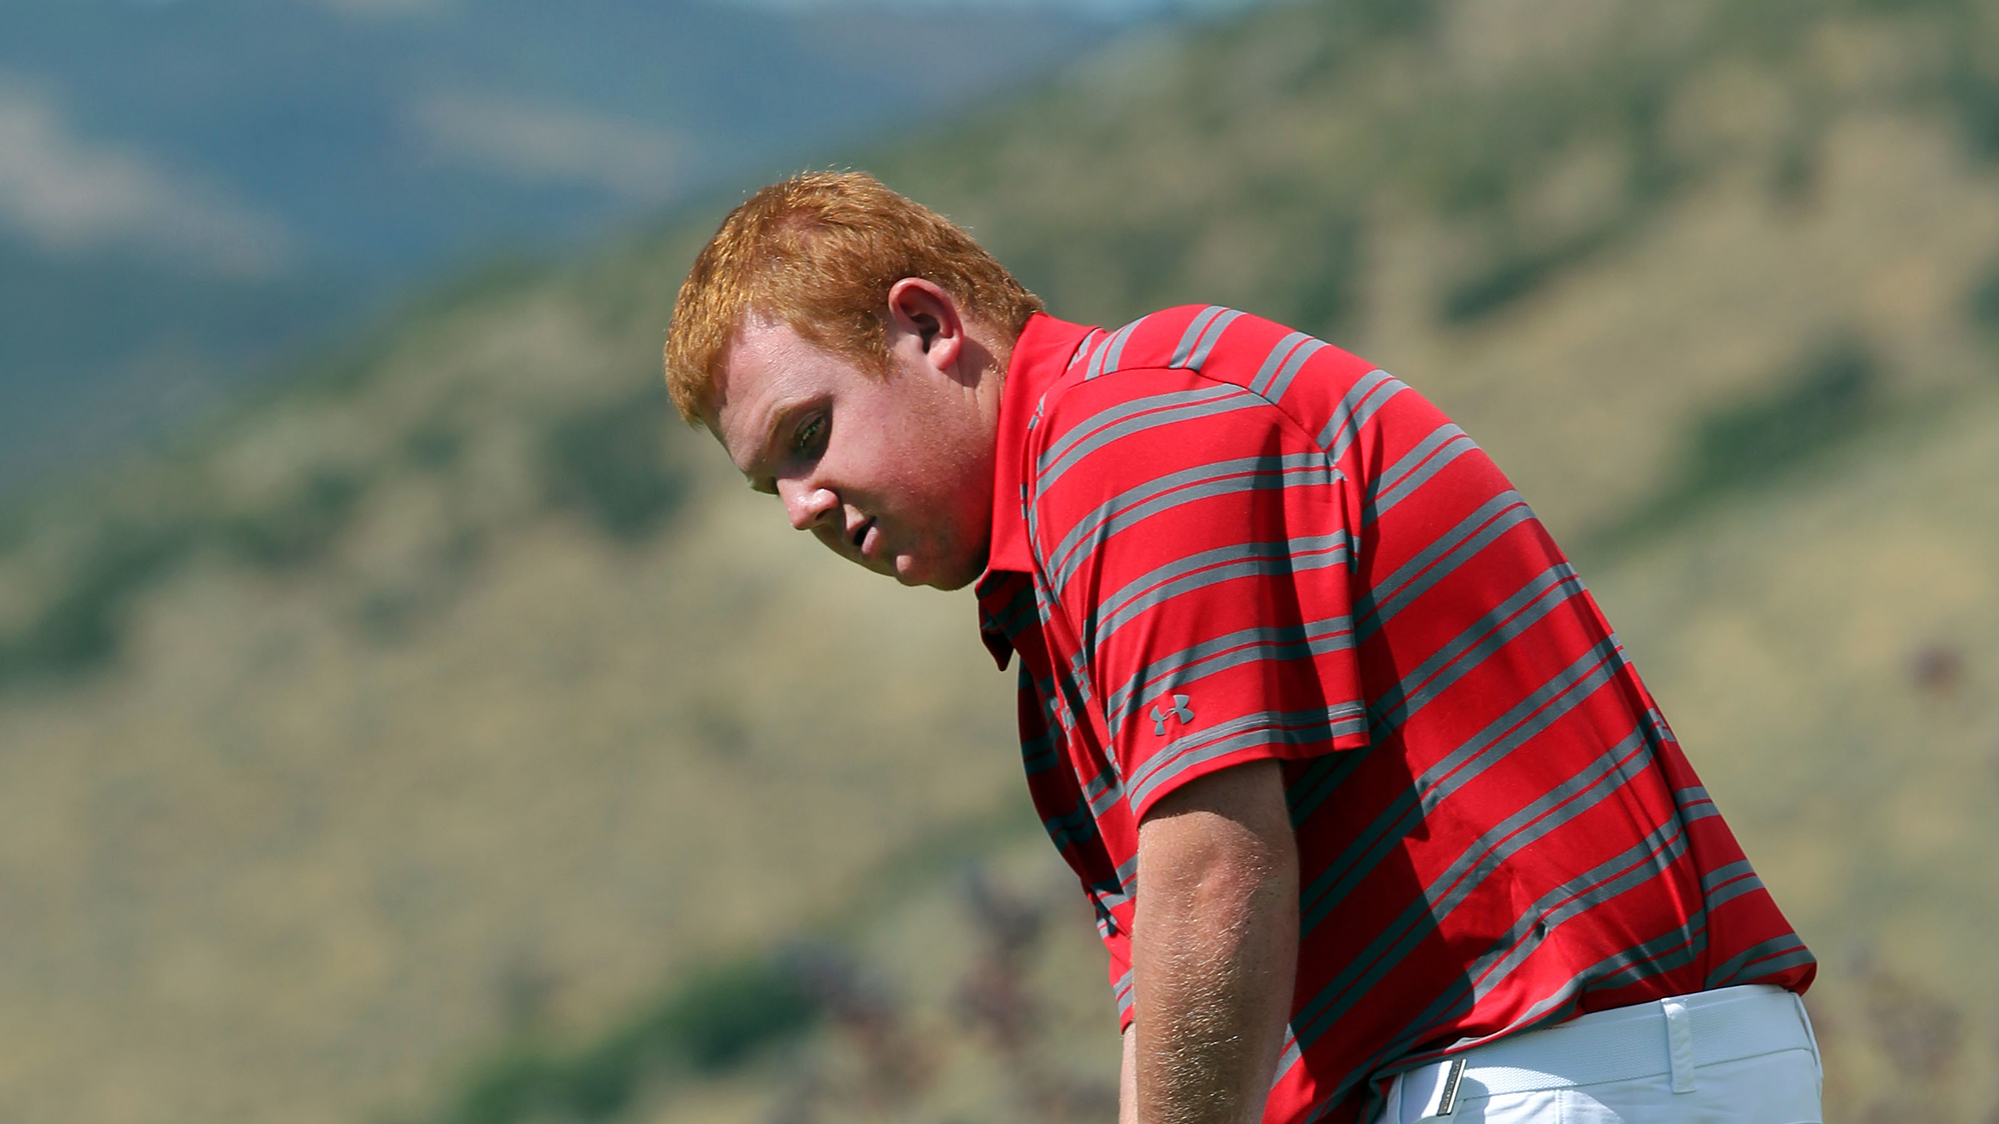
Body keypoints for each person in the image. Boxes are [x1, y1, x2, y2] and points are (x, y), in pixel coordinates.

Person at [662, 171, 1823, 1124]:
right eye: (773, 484)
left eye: (808, 436)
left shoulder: (1119, 439)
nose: (804, 508)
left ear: (927, 325)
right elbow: (1166, 990)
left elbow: (1215, 874)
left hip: (1558, 1078)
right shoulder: (1056, 573)